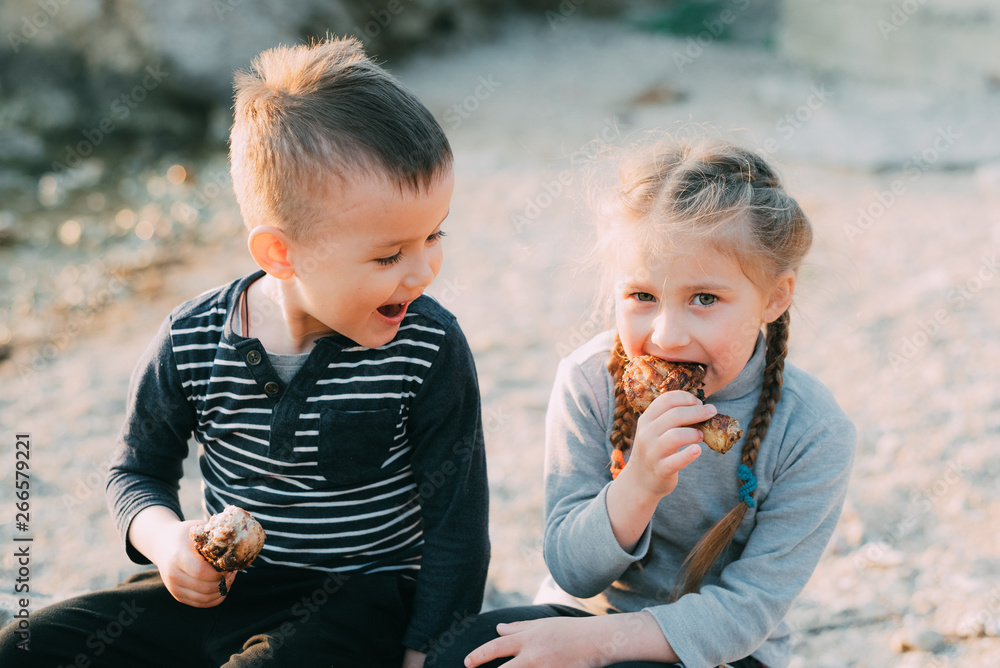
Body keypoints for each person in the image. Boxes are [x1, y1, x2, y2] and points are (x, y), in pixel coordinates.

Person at [0, 36, 489, 668]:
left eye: (434, 235)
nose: (424, 271)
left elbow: (458, 525)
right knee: (24, 648)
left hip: (360, 602)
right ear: (280, 254)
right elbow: (136, 473)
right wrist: (169, 542)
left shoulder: (428, 346)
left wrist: (426, 653)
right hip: (220, 592)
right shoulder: (193, 337)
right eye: (389, 255)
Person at [425, 138, 855, 668]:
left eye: (705, 299)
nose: (667, 336)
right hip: (584, 616)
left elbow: (746, 613)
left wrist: (592, 649)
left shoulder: (812, 429)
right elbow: (572, 571)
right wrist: (639, 483)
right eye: (643, 297)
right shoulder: (589, 382)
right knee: (464, 653)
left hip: (719, 652)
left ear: (774, 298)